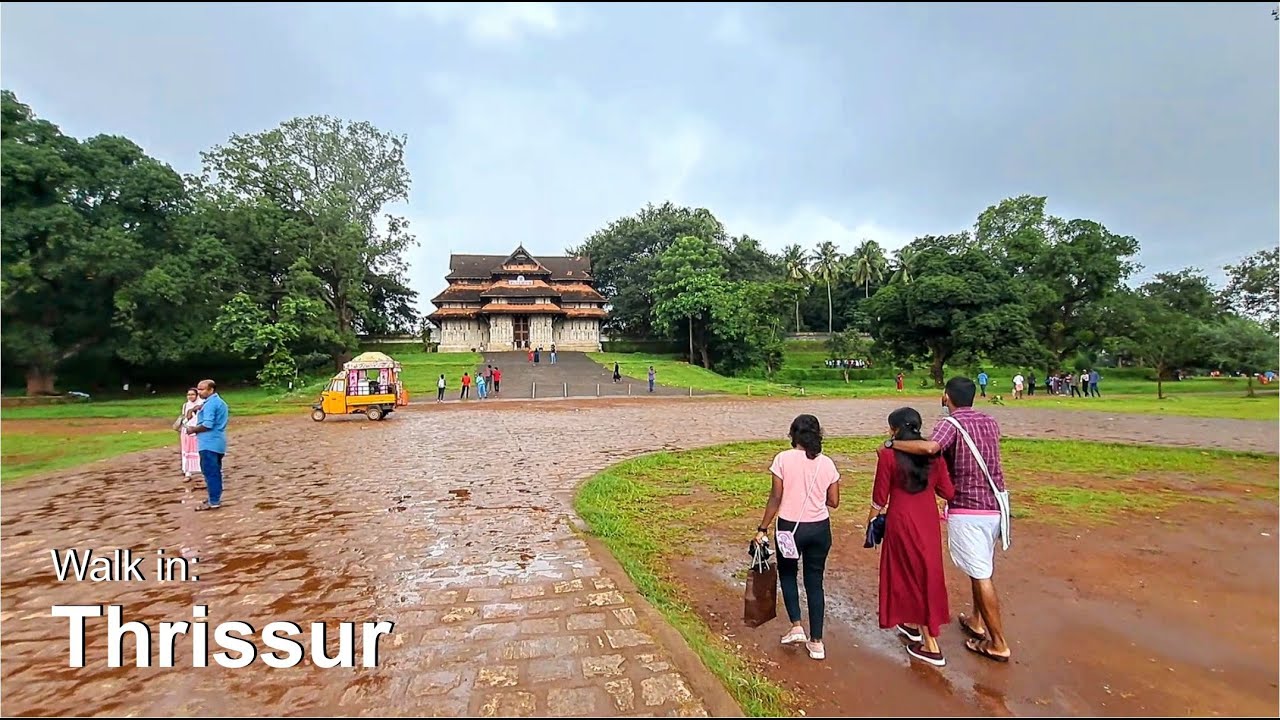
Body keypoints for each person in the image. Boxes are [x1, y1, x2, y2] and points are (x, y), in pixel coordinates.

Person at [892, 377, 1012, 662]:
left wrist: (893, 443)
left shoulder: (950, 424)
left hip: (968, 508)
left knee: (980, 573)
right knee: (981, 566)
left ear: (946, 396)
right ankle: (976, 621)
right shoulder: (990, 422)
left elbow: (932, 449)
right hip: (995, 506)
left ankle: (999, 643)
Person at [872, 407, 955, 666]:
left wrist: (870, 522)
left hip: (901, 520)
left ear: (895, 430)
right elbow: (948, 491)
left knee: (907, 574)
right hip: (927, 521)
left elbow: (879, 497)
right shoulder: (934, 455)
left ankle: (931, 644)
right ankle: (912, 624)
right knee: (926, 571)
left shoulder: (887, 455)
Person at [754, 414, 841, 661]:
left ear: (793, 434)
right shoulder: (827, 464)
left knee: (789, 574)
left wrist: (762, 527)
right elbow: (834, 501)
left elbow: (775, 497)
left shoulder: (782, 459)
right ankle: (817, 643)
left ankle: (796, 626)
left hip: (789, 528)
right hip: (819, 528)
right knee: (815, 582)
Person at [187, 379, 229, 511]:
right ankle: (214, 497)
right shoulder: (217, 402)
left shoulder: (211, 404)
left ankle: (214, 500)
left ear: (211, 390)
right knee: (214, 472)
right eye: (198, 389)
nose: (199, 392)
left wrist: (192, 429)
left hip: (209, 443)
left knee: (210, 472)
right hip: (217, 442)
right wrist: (197, 408)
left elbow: (207, 424)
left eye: (202, 389)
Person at [177, 388, 203, 480]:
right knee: (186, 452)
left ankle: (203, 471)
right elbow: (185, 417)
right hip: (187, 430)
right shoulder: (185, 405)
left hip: (198, 430)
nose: (190, 396)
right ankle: (187, 473)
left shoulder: (202, 404)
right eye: (188, 395)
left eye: (192, 394)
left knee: (200, 451)